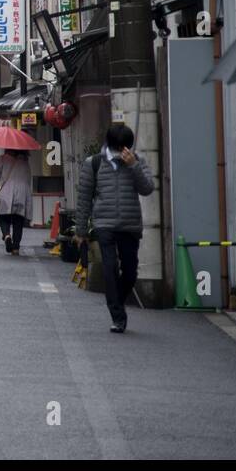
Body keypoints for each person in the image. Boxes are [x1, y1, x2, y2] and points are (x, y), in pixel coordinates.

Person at [74, 123, 155, 333]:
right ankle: (118, 316)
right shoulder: (95, 163)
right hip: (104, 224)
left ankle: (117, 299)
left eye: (125, 147)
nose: (121, 152)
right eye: (119, 147)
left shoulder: (137, 162)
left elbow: (147, 189)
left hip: (130, 224)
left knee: (130, 271)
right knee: (109, 268)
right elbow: (84, 198)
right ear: (111, 145)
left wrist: (133, 165)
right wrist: (81, 231)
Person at [0, 148, 32, 255]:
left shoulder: (3, 159)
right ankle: (16, 248)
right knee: (18, 221)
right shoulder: (25, 161)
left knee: (3, 217)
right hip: (22, 194)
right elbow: (28, 178)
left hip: (6, 192)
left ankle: (7, 236)